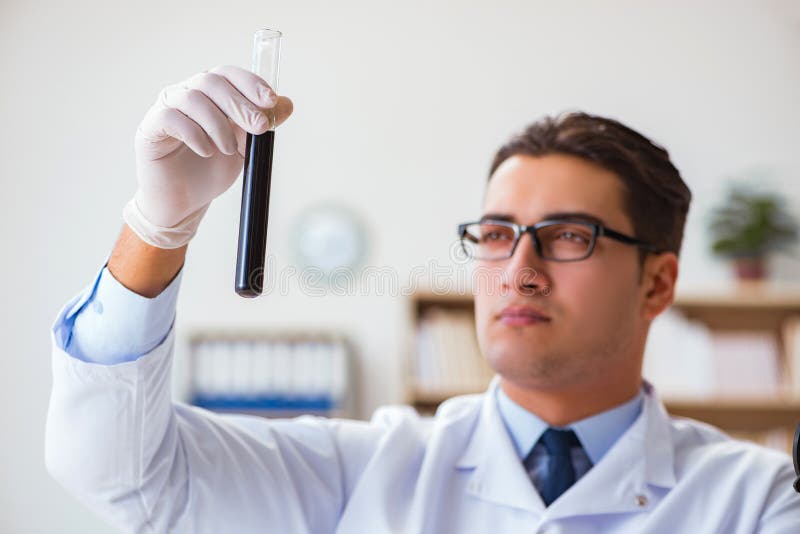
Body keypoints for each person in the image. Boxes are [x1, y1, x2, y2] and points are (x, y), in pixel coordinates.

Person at [45, 65, 799, 533]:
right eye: (498, 233)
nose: (520, 269)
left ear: (658, 282)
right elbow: (119, 474)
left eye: (569, 235)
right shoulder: (361, 471)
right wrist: (157, 226)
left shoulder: (756, 501)